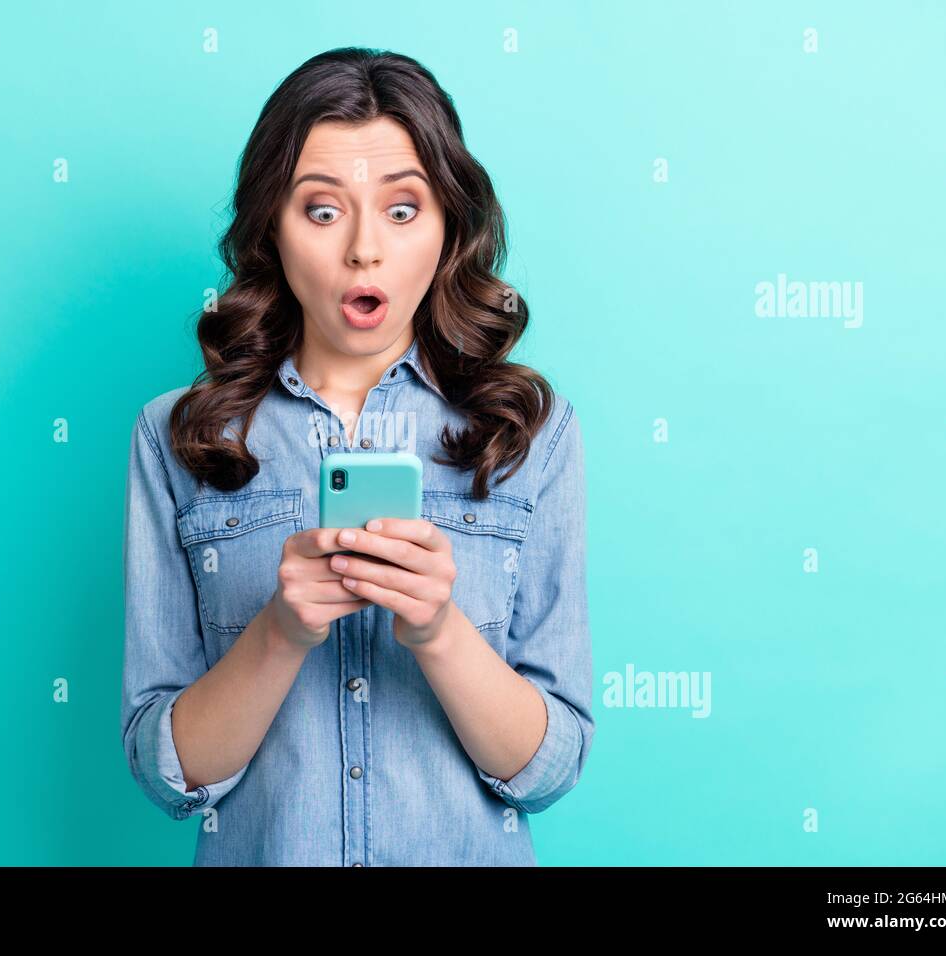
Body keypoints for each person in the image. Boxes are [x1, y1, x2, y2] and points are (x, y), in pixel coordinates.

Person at [121, 47, 594, 866]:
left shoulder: (532, 432)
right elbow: (167, 774)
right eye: (322, 209)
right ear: (272, 225)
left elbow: (549, 770)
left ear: (448, 226)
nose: (364, 251)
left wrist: (438, 629)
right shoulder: (177, 438)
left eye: (403, 209)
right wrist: (279, 632)